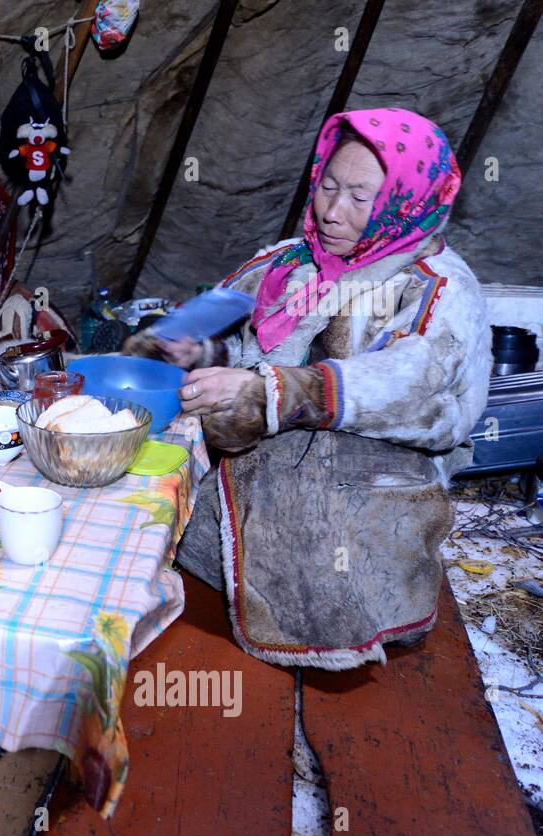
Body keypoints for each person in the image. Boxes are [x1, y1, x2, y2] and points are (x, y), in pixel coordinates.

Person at [125, 108, 490, 669]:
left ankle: (345, 607)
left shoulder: (436, 289)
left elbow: (414, 388)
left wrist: (275, 395)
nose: (332, 211)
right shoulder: (288, 264)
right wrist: (188, 351)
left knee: (305, 510)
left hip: (375, 475)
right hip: (253, 457)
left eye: (361, 198)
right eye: (328, 186)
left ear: (407, 202)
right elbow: (223, 338)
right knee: (141, 486)